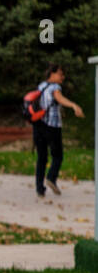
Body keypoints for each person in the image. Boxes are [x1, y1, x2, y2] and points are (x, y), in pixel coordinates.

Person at [33, 64, 85, 199]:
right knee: (57, 156)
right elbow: (59, 98)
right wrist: (73, 105)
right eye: (60, 74)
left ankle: (40, 189)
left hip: (38, 126)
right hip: (52, 126)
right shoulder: (55, 87)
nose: (63, 77)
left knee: (41, 158)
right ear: (52, 74)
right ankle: (51, 177)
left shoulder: (41, 86)